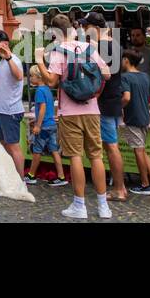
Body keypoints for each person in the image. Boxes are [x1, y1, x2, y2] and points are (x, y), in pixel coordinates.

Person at [36, 13, 111, 219]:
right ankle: (103, 206)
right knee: (96, 156)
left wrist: (39, 62)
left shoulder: (58, 52)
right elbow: (107, 74)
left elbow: (51, 82)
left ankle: (80, 206)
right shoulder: (89, 48)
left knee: (76, 156)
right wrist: (94, 90)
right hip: (92, 109)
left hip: (70, 112)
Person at [90, 14, 127, 201]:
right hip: (113, 98)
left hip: (105, 100)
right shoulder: (115, 43)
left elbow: (103, 75)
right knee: (112, 145)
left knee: (111, 146)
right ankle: (121, 187)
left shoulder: (103, 46)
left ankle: (119, 189)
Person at [120, 48, 150, 195]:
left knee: (138, 151)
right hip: (145, 117)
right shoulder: (145, 76)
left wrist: (119, 107)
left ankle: (145, 184)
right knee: (142, 150)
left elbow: (126, 97)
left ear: (126, 60)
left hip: (132, 117)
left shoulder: (125, 77)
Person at [0, 29, 26, 178]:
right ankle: (11, 175)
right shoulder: (1, 62)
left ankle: (20, 180)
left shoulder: (13, 60)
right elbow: (2, 86)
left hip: (11, 110)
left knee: (13, 146)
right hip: (3, 110)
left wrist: (9, 57)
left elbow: (19, 76)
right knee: (4, 144)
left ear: (5, 44)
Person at [25, 64, 67, 186]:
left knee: (37, 150)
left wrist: (38, 125)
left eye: (32, 76)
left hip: (44, 127)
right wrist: (37, 121)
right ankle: (61, 176)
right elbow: (48, 109)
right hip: (51, 125)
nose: (30, 78)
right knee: (54, 151)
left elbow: (42, 108)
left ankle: (31, 175)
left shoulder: (39, 91)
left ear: (39, 77)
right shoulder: (47, 90)